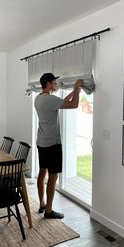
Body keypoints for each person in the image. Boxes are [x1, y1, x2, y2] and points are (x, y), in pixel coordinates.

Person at [34, 72, 83, 219]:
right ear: (49, 83)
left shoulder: (38, 98)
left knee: (42, 173)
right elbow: (74, 105)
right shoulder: (50, 100)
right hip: (52, 144)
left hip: (41, 142)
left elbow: (61, 102)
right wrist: (77, 87)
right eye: (55, 83)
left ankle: (42, 204)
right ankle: (49, 211)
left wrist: (73, 92)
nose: (56, 85)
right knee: (53, 176)